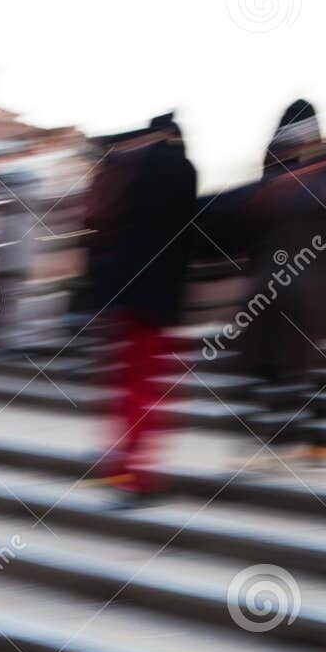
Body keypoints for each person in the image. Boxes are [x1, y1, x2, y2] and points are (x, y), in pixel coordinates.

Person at [237, 99, 326, 468]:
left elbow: (255, 235)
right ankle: (321, 442)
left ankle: (280, 442)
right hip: (322, 286)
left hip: (282, 285)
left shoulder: (275, 181)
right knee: (315, 362)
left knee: (276, 364)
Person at [81, 113, 198, 506]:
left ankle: (118, 463)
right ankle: (139, 477)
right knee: (148, 387)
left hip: (118, 290)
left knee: (126, 383)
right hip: (158, 293)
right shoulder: (180, 168)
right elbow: (187, 232)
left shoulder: (121, 166)